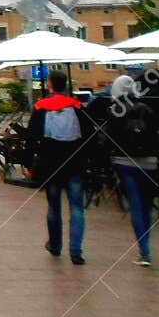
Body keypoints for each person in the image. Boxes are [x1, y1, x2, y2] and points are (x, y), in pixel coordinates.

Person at [27, 71, 96, 265]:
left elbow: (31, 137)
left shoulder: (40, 107)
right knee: (76, 207)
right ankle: (76, 251)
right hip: (74, 163)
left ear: (49, 84)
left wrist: (29, 161)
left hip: (50, 164)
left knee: (53, 206)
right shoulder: (76, 106)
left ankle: (55, 245)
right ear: (65, 84)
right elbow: (89, 136)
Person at [110, 77, 159, 267]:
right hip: (149, 163)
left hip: (124, 163)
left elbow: (109, 138)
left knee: (136, 205)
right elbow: (157, 134)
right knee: (146, 206)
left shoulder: (115, 111)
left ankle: (144, 250)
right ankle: (146, 246)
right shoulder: (147, 109)